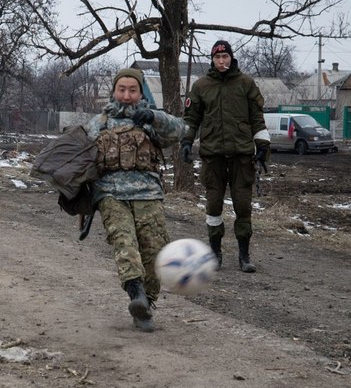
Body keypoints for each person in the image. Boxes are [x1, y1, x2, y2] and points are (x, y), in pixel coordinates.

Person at [84, 68, 185, 332]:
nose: (126, 95)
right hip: (111, 194)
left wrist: (153, 116)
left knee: (154, 251)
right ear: (114, 91)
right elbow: (78, 157)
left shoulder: (150, 121)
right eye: (122, 89)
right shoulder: (98, 123)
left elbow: (180, 131)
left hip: (148, 194)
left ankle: (145, 306)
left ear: (140, 92)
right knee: (124, 242)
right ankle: (135, 292)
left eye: (132, 90)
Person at [180, 40, 270, 273]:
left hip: (241, 156)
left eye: (225, 57)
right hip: (213, 157)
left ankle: (244, 255)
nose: (221, 61)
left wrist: (262, 147)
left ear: (231, 58)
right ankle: (215, 253)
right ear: (212, 59)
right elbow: (191, 119)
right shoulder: (201, 86)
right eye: (217, 58)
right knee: (213, 206)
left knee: (242, 206)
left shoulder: (246, 84)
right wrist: (187, 142)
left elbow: (257, 119)